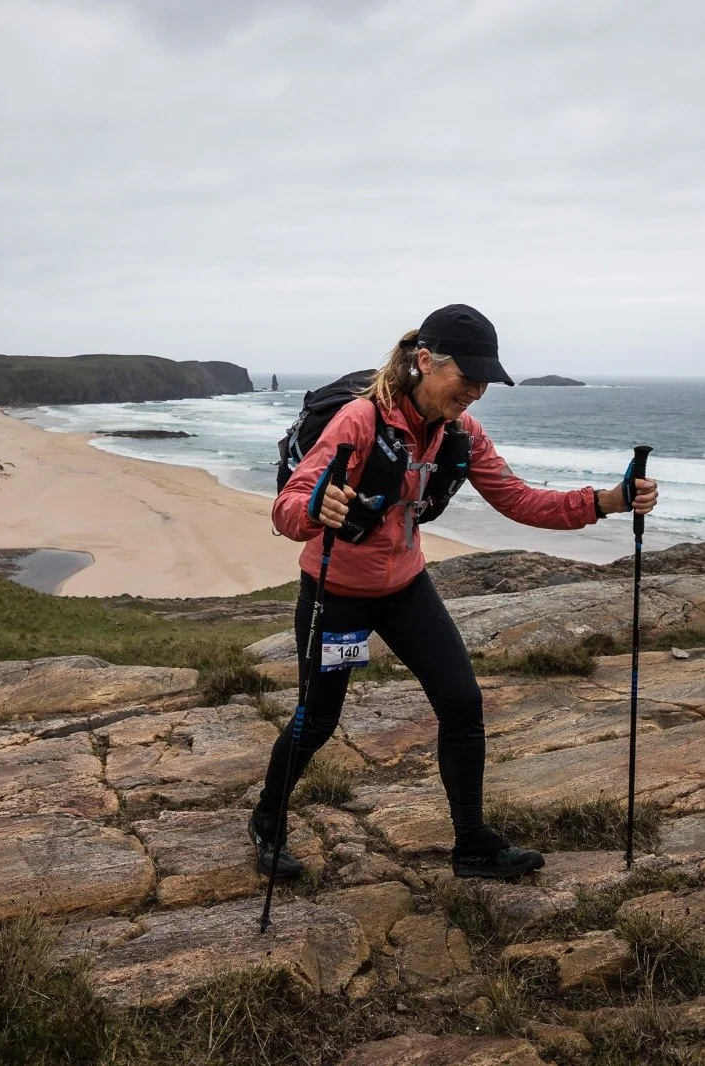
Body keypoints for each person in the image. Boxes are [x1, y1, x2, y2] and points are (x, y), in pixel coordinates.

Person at [253, 304, 659, 880]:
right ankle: (268, 819)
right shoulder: (359, 422)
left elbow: (520, 500)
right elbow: (288, 506)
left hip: (405, 586)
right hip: (336, 592)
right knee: (317, 720)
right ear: (423, 362)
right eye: (466, 377)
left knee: (462, 703)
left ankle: (471, 845)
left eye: (484, 380)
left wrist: (609, 501)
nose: (475, 391)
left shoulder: (460, 435)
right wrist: (315, 507)